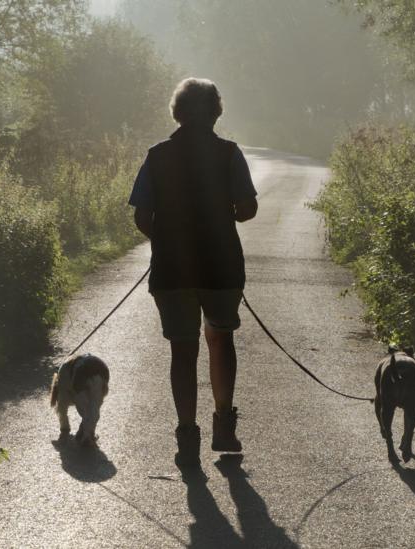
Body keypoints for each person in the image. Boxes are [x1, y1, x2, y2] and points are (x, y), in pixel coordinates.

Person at [129, 78, 258, 467]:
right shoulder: (230, 154)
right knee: (221, 340)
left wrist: (168, 239)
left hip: (171, 270)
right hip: (221, 265)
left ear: (178, 112)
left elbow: (141, 215)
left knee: (182, 350)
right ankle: (223, 424)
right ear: (216, 112)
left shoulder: (158, 155)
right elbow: (247, 209)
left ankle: (187, 434)